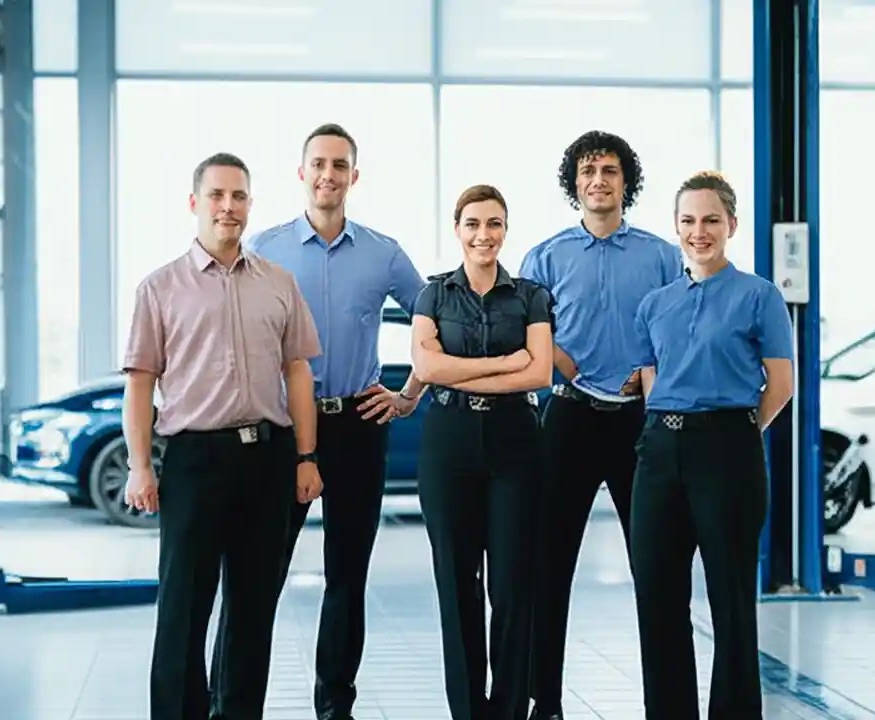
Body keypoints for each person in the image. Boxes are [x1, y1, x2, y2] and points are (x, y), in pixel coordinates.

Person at [231, 123, 427, 720]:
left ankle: (335, 703)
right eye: (318, 163)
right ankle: (234, 702)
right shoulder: (263, 248)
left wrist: (408, 393)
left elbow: (435, 320)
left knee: (347, 574)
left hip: (358, 427)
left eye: (339, 165)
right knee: (259, 574)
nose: (328, 175)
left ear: (353, 177)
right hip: (284, 429)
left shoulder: (384, 253)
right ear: (301, 172)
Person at [121, 152, 325, 720]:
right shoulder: (159, 288)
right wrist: (141, 466)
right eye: (216, 195)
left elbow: (299, 372)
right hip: (194, 460)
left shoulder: (279, 284)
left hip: (267, 459)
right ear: (195, 204)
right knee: (184, 607)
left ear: (250, 206)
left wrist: (306, 456)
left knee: (252, 609)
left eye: (238, 197)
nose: (228, 207)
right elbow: (141, 384)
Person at [518, 130, 682, 720]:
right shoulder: (545, 257)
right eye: (588, 170)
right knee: (549, 563)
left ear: (625, 181)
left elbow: (677, 331)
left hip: (641, 424)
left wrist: (653, 372)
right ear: (574, 182)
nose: (598, 180)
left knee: (656, 564)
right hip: (567, 417)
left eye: (609, 170)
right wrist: (558, 360)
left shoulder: (662, 256)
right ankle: (546, 701)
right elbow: (528, 334)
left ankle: (665, 704)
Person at [629, 171, 794, 719]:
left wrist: (737, 434)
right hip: (658, 452)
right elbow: (652, 379)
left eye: (710, 221)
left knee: (729, 600)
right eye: (688, 221)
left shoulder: (759, 296)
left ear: (732, 225)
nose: (699, 232)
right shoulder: (654, 304)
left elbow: (781, 384)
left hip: (727, 450)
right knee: (657, 598)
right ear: (676, 227)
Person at [411, 184, 554, 720]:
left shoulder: (531, 296)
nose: (483, 235)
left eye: (493, 224)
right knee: (456, 582)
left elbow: (539, 372)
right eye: (473, 224)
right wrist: (503, 365)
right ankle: (468, 711)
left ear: (505, 230)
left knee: (513, 587)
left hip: (517, 441)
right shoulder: (434, 295)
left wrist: (461, 370)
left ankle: (509, 710)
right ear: (457, 230)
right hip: (448, 443)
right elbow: (426, 370)